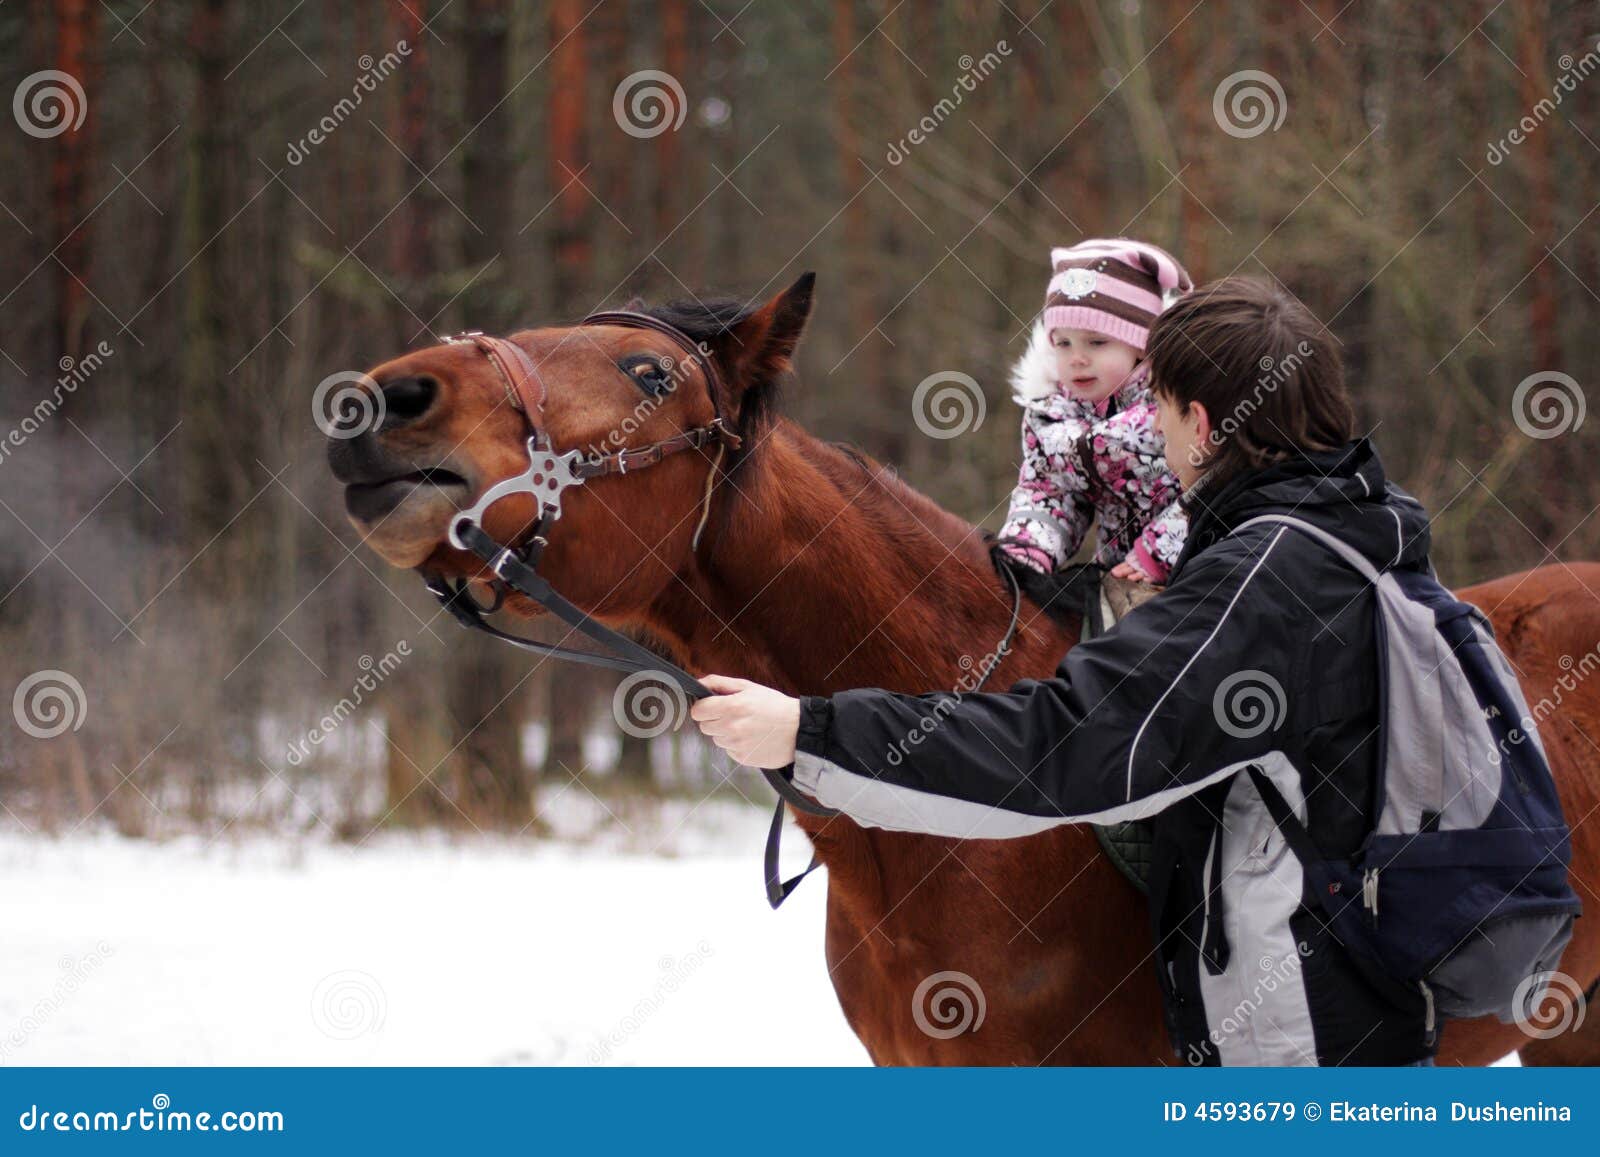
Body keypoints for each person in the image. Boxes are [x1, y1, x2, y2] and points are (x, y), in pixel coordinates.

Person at [688, 276, 1440, 1066]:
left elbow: (1064, 744)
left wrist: (813, 730)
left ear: (1204, 426)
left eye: (1159, 407)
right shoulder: (1362, 531)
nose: (1146, 428)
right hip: (1370, 1007)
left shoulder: (1258, 581)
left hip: (1304, 1047)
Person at [996, 238, 1193, 585]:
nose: (1077, 358)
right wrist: (1028, 549)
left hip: (1197, 567)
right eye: (1064, 343)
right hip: (1118, 574)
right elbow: (1050, 490)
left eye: (1097, 342)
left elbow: (1214, 483)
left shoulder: (1176, 407)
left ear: (1141, 344)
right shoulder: (1054, 415)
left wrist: (1159, 552)